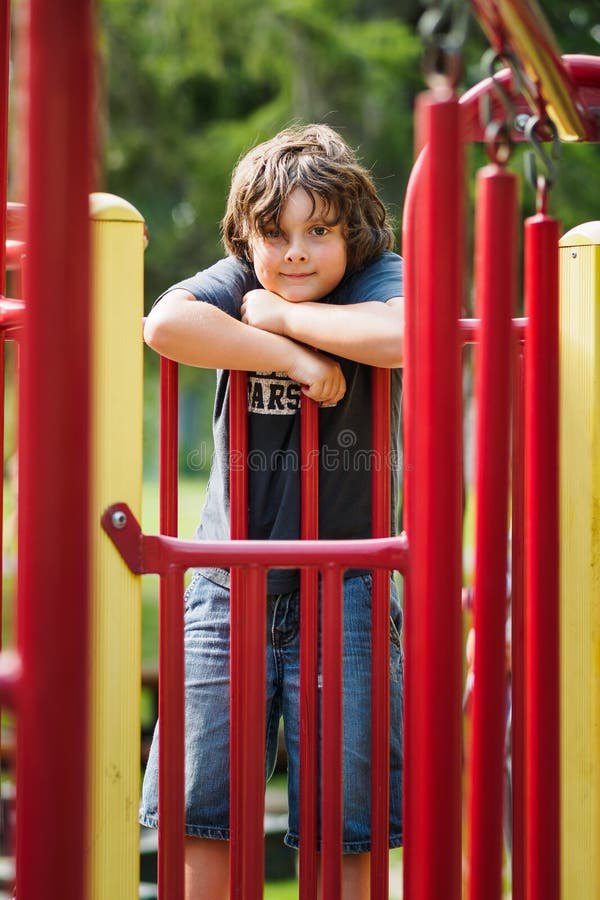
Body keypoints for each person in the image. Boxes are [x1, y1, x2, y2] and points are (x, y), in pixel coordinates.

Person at [140, 123, 404, 900]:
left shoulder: (371, 280)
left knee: (347, 817)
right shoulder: (234, 280)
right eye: (274, 234)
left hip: (348, 585)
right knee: (204, 811)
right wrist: (291, 359)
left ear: (350, 235)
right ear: (245, 238)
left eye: (317, 232)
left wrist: (283, 320)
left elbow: (403, 335)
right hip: (229, 583)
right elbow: (164, 325)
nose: (294, 254)